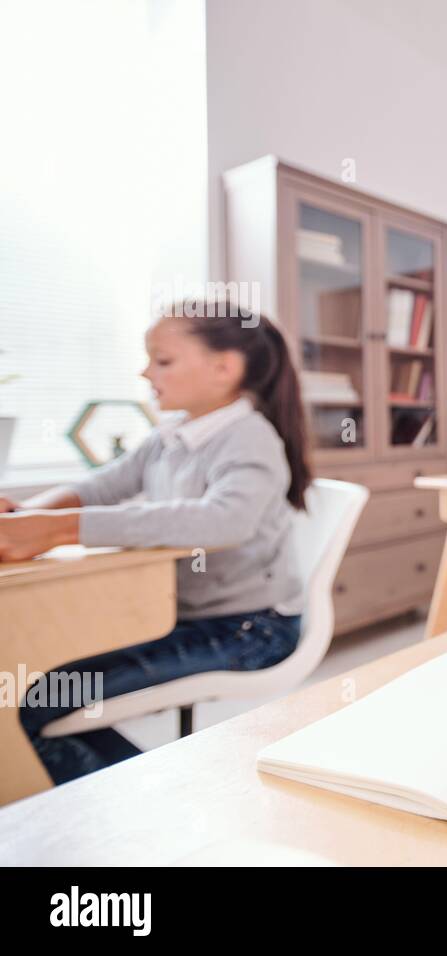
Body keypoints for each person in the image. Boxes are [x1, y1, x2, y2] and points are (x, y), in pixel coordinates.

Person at [0, 300, 310, 784]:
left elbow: (224, 521)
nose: (146, 372)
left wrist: (60, 529)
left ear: (224, 368)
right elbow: (101, 486)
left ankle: (151, 805)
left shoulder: (249, 437)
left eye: (162, 360)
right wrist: (28, 515)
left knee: (37, 701)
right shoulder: (171, 435)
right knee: (35, 680)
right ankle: (143, 792)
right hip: (180, 614)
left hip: (250, 629)